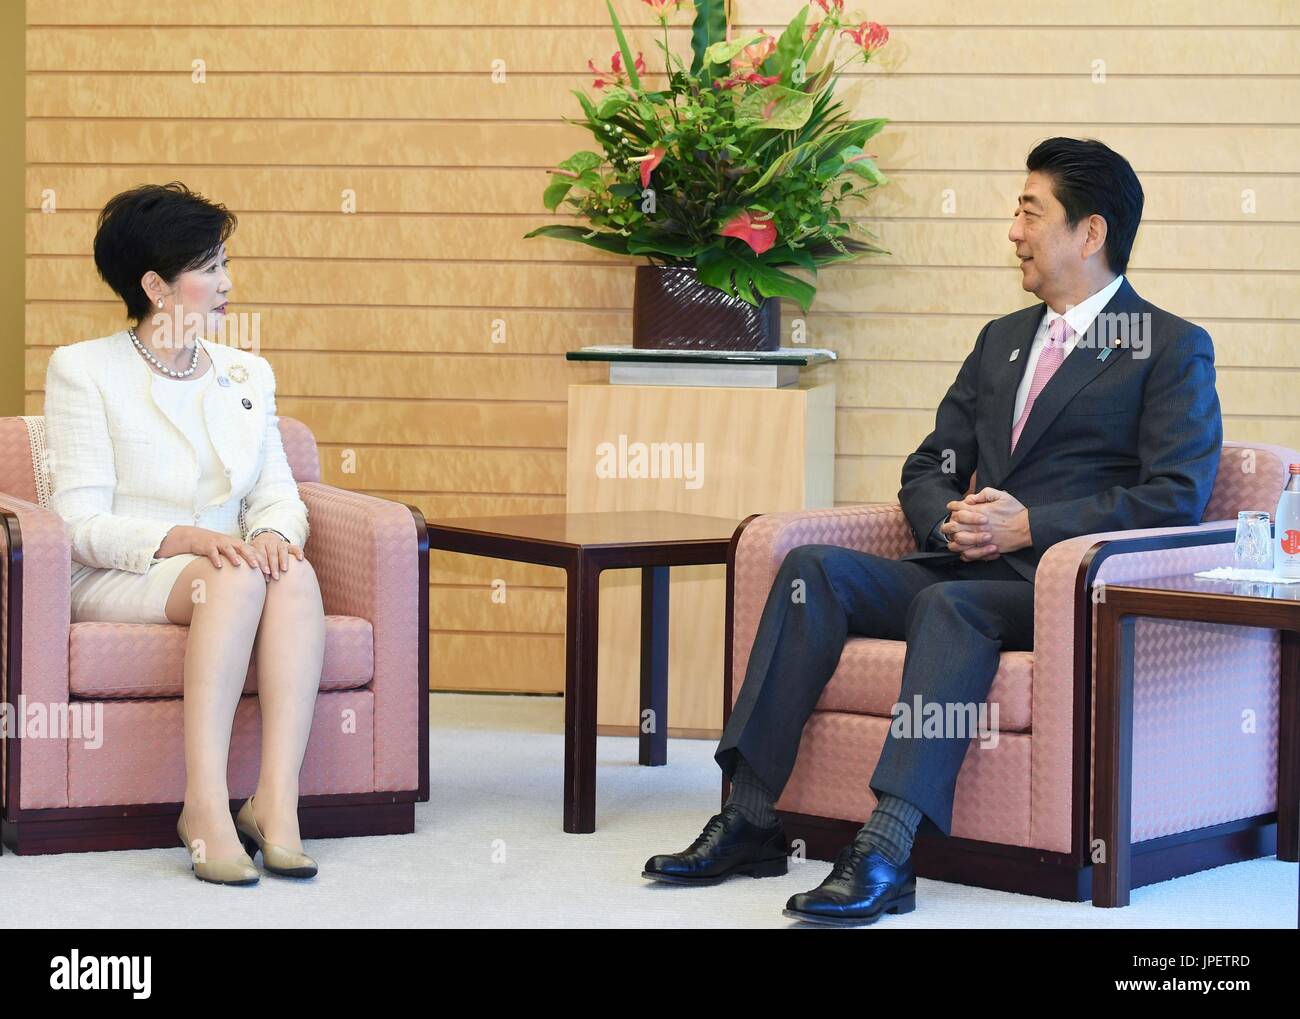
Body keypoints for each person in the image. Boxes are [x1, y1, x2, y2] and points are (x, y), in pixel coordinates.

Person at [642, 138, 1224, 925]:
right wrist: (945, 516)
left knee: (950, 610)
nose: (1013, 230)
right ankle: (750, 816)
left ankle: (886, 848)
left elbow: (1177, 496)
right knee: (815, 569)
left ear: (1090, 234)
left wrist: (1030, 526)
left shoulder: (1169, 347)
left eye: (1029, 210)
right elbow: (930, 463)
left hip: (1055, 590)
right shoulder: (1002, 339)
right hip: (963, 563)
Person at [43, 182, 326, 885]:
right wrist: (187, 539)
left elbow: (279, 496)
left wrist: (270, 534)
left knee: (289, 569)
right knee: (231, 573)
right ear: (155, 285)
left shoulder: (246, 372)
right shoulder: (83, 369)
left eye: (226, 263)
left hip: (224, 568)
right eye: (210, 268)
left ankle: (273, 802)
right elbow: (79, 523)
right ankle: (203, 807)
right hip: (128, 570)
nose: (228, 284)